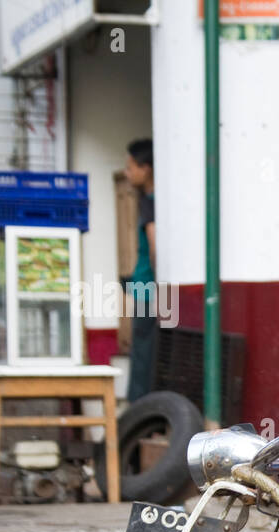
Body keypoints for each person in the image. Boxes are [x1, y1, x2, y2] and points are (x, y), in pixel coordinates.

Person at [124, 138, 157, 401]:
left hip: (148, 289)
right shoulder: (158, 201)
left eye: (131, 166)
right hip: (147, 287)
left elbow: (154, 243)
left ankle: (139, 416)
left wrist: (158, 286)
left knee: (143, 358)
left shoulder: (149, 202)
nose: (128, 172)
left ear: (145, 168)